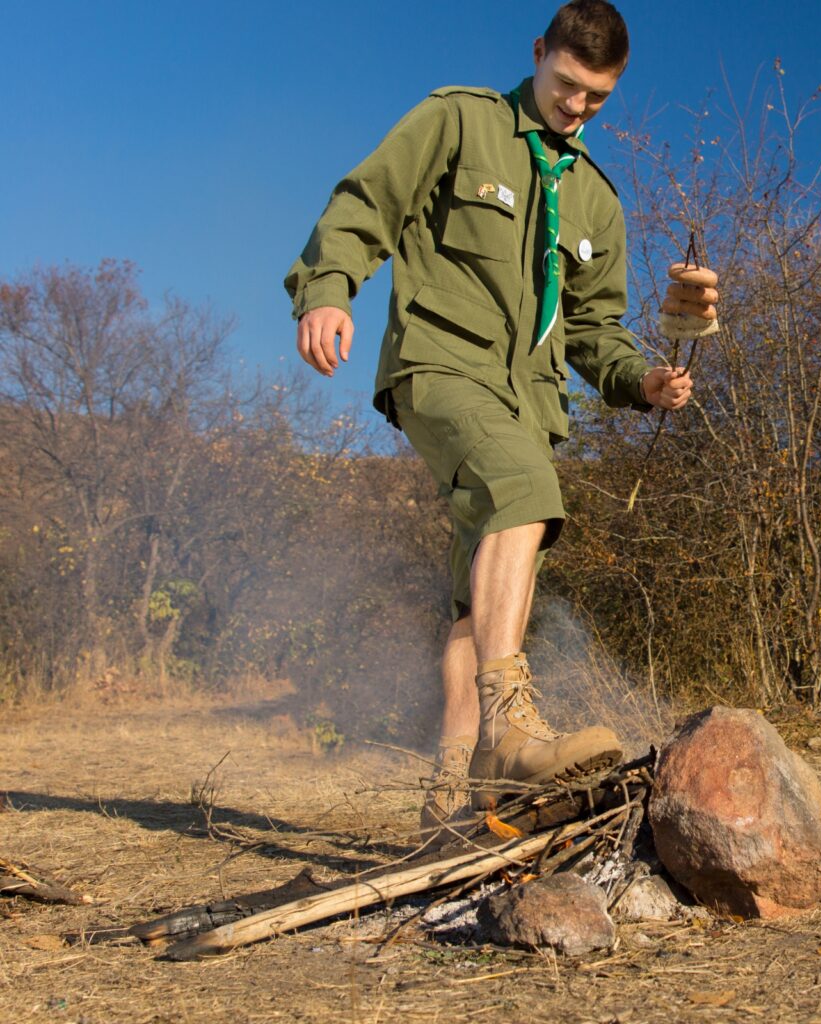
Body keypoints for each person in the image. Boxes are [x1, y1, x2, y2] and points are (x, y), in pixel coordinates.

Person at [283, 0, 716, 842]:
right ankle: (510, 732)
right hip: (442, 367)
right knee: (524, 492)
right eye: (567, 85)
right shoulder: (460, 121)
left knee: (477, 602)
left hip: (528, 405)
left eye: (597, 97)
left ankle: (454, 793)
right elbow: (367, 202)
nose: (577, 107)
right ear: (539, 53)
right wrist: (328, 289)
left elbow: (594, 331)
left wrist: (647, 381)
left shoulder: (596, 201)